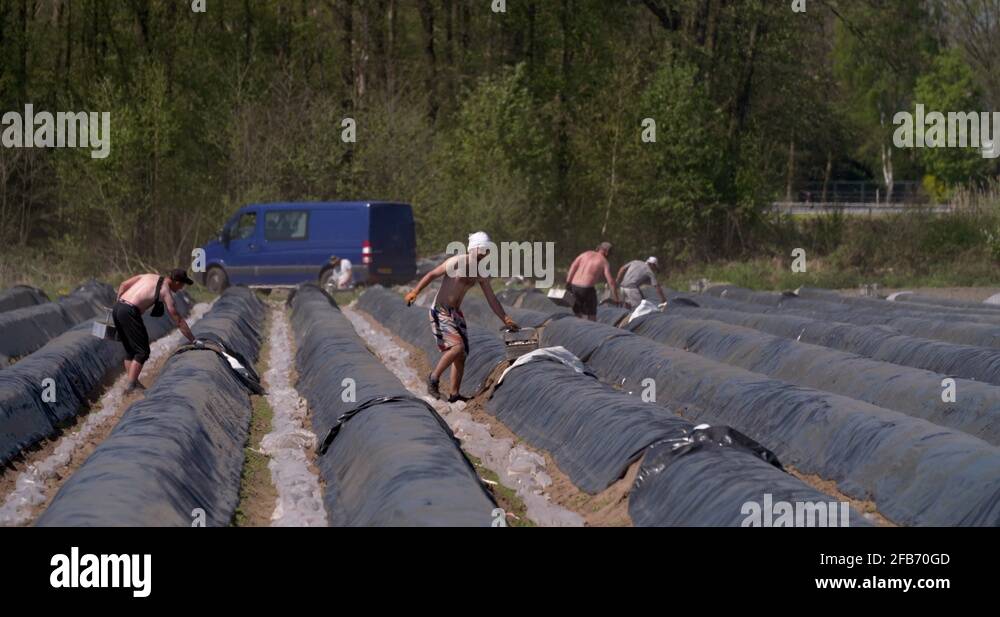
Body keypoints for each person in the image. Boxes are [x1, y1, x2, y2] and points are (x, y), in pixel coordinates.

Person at [404, 232, 519, 403]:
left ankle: (454, 394)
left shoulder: (480, 271)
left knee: (462, 354)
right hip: (441, 310)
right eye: (481, 251)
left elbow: (491, 298)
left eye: (487, 252)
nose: (484, 255)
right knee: (456, 348)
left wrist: (506, 318)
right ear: (473, 249)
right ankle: (433, 379)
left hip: (455, 313)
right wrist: (415, 291)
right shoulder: (457, 262)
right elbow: (432, 275)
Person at [114, 268, 197, 393]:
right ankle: (130, 387)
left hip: (118, 307)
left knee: (131, 350)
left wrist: (118, 305)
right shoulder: (165, 291)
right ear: (176, 282)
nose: (181, 288)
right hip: (129, 311)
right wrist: (193, 340)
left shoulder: (148, 276)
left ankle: (133, 382)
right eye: (181, 285)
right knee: (142, 351)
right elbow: (178, 320)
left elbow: (123, 284)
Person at [565, 242, 619, 320]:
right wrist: (616, 299)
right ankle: (592, 329)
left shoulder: (585, 254)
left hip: (574, 286)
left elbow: (573, 266)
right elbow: (610, 282)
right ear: (607, 252)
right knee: (592, 315)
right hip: (587, 289)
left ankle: (577, 328)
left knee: (577, 313)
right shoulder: (604, 261)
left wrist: (568, 283)